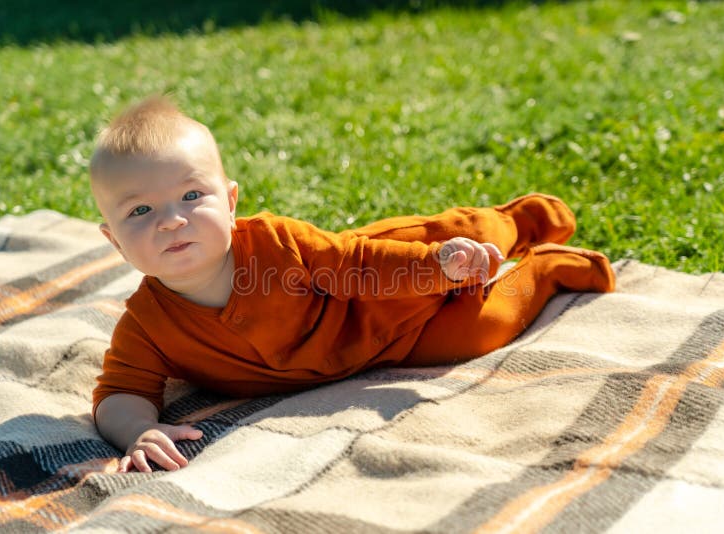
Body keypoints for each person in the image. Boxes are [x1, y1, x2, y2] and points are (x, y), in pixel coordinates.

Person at [89, 96, 615, 473]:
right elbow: (119, 392)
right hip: (385, 347)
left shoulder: (279, 244)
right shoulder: (147, 326)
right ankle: (546, 270)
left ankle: (519, 222)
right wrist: (138, 430)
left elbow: (361, 262)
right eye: (141, 210)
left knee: (465, 237)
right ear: (114, 241)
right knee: (481, 329)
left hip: (370, 282)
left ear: (230, 203)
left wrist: (438, 268)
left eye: (190, 197)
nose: (171, 221)